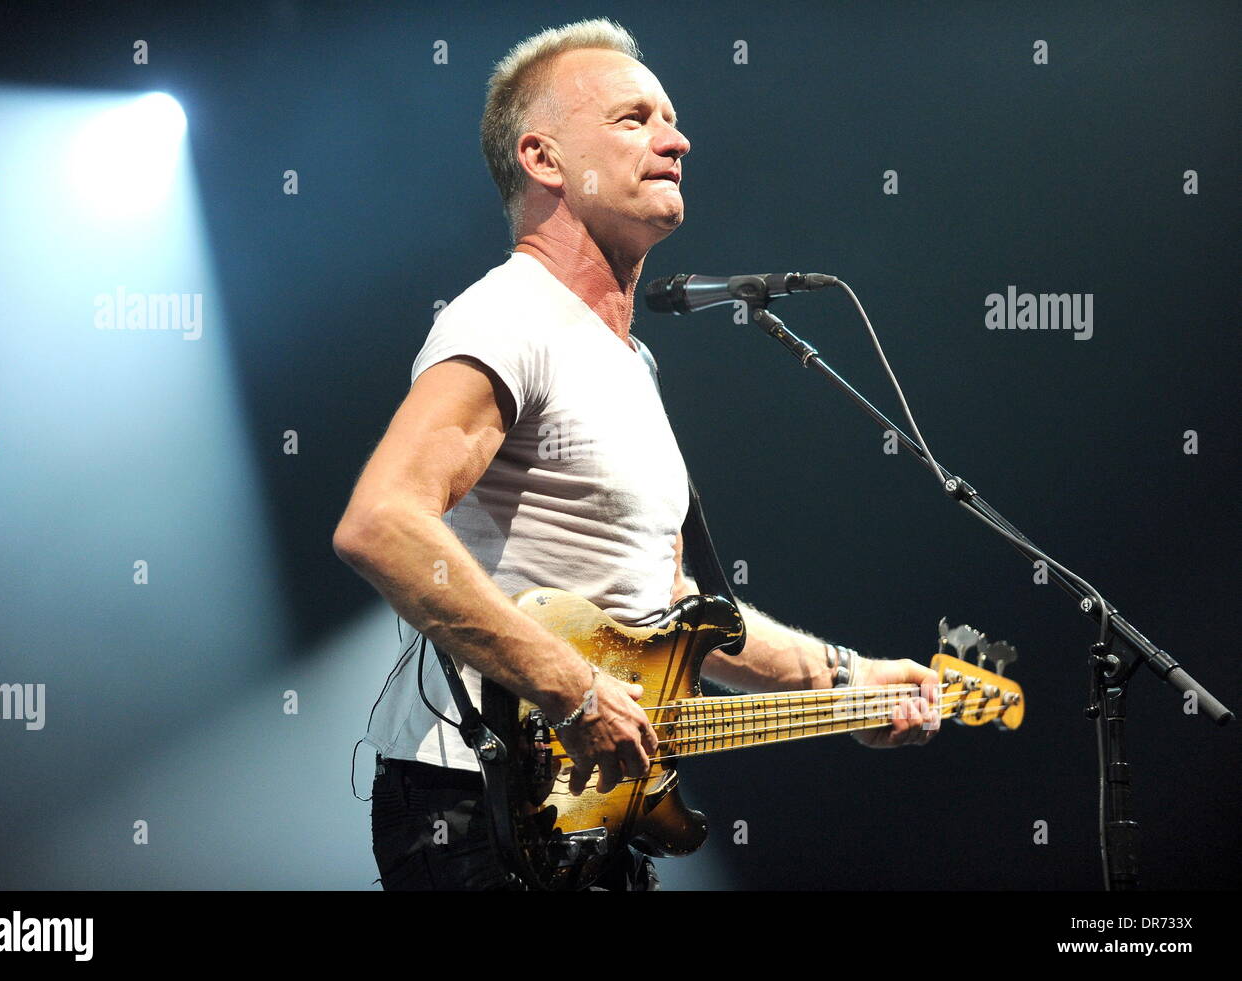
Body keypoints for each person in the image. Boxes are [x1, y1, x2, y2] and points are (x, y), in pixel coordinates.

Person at [333, 18, 941, 891]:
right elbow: (380, 522)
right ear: (544, 159)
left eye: (672, 117)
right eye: (634, 118)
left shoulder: (626, 358)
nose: (677, 138)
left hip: (593, 820)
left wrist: (848, 682)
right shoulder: (507, 317)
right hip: (480, 806)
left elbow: (672, 613)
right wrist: (572, 689)